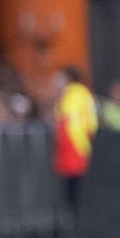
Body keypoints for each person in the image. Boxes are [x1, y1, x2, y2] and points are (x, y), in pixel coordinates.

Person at [52, 66, 98, 214]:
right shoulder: (83, 94)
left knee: (75, 196)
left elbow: (72, 125)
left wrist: (81, 150)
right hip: (78, 152)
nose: (55, 82)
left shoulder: (72, 95)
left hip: (74, 153)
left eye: (59, 78)